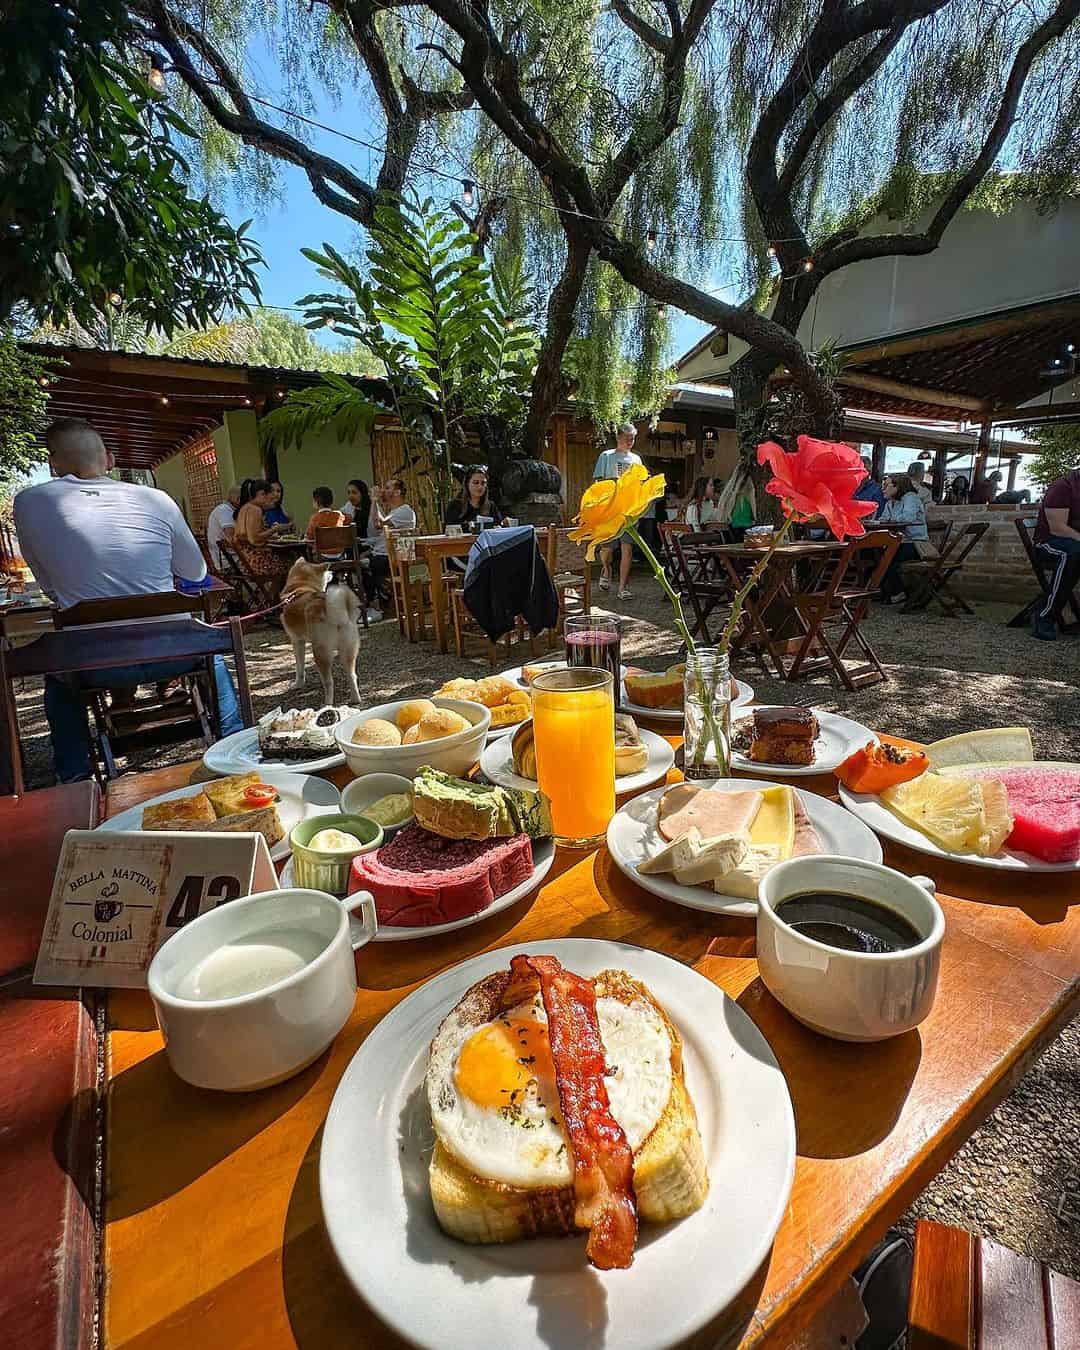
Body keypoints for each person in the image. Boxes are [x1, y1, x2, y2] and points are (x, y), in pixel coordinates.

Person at [12, 419, 243, 782]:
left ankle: (75, 779)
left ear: (53, 463)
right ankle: (236, 748)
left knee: (58, 677)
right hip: (173, 654)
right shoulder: (156, 498)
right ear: (109, 459)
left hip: (93, 665)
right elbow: (196, 574)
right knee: (211, 654)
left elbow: (50, 586)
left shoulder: (28, 502)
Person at [592, 421, 644, 599]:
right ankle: (606, 569)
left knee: (627, 548)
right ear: (618, 437)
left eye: (633, 438)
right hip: (610, 509)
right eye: (627, 438)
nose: (630, 441)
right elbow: (597, 483)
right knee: (607, 549)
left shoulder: (636, 459)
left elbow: (640, 483)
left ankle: (622, 588)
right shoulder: (606, 456)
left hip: (630, 510)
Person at [1032, 466, 1080, 641]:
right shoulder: (1064, 486)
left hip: (1075, 542)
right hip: (1048, 542)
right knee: (1073, 554)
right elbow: (1058, 528)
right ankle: (1044, 615)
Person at [232, 478, 292, 599]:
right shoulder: (255, 510)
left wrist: (268, 535)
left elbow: (249, 536)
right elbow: (254, 539)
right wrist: (275, 529)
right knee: (291, 563)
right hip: (254, 563)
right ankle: (271, 600)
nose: (270, 501)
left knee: (287, 560)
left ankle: (270, 600)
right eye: (269, 497)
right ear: (262, 494)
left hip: (244, 562)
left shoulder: (245, 508)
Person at [366, 478, 417, 619]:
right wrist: (374, 502)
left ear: (397, 492)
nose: (384, 490)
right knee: (363, 561)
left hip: (396, 558)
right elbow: (375, 528)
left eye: (388, 488)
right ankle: (374, 605)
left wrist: (375, 500)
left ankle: (377, 606)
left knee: (370, 565)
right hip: (385, 555)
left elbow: (377, 524)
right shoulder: (393, 513)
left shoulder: (405, 511)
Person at [874, 471, 929, 602]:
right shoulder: (890, 503)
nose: (883, 489)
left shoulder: (910, 497)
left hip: (916, 543)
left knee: (888, 555)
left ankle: (896, 592)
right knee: (874, 553)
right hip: (899, 542)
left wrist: (888, 521)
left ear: (897, 486)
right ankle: (885, 591)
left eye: (887, 485)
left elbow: (907, 518)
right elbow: (883, 519)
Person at [443, 465, 506, 531]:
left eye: (483, 483)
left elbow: (499, 526)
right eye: (476, 483)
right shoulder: (455, 505)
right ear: (467, 483)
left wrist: (503, 524)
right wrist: (468, 526)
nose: (480, 487)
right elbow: (448, 529)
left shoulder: (491, 506)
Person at [205, 483, 241, 569]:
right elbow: (231, 539)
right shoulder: (225, 510)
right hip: (228, 560)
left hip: (228, 557)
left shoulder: (226, 509)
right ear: (238, 499)